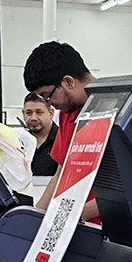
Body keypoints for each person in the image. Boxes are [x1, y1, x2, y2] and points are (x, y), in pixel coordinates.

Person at [23, 41, 99, 223]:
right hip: (75, 224)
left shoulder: (114, 111)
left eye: (48, 96)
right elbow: (60, 175)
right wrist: (34, 217)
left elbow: (131, 190)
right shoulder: (68, 113)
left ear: (68, 82)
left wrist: (72, 216)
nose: (50, 103)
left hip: (109, 230)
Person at [22, 92, 58, 180]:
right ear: (23, 114)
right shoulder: (18, 143)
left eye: (39, 112)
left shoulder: (64, 141)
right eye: (29, 113)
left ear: (51, 113)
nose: (33, 118)